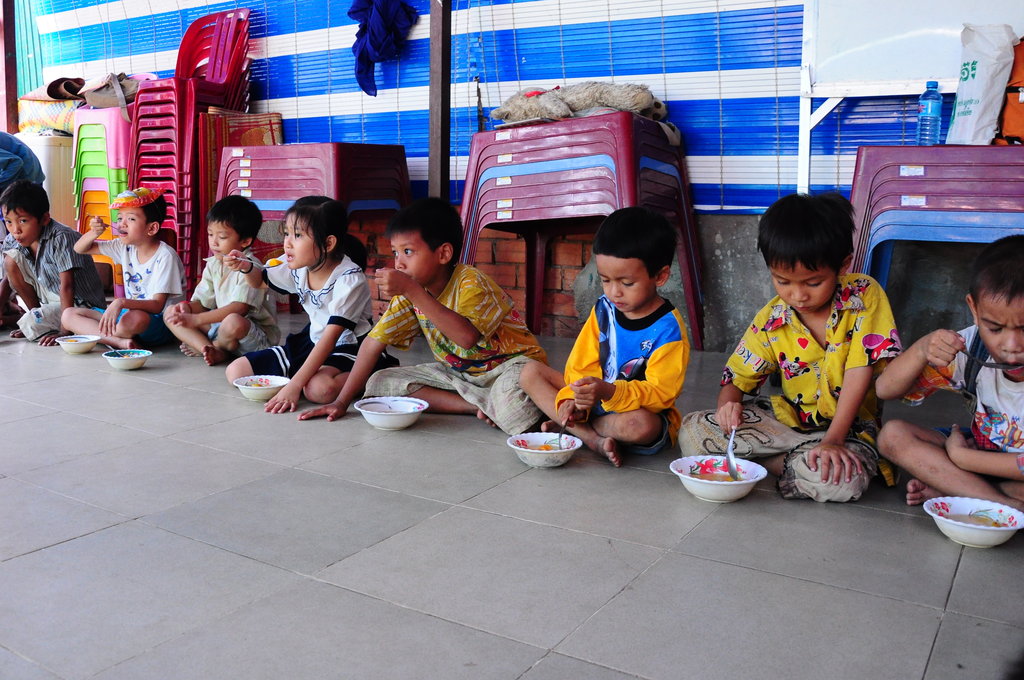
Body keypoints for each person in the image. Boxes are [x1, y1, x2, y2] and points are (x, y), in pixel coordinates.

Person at [678, 193, 902, 502]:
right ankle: (794, 463)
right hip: (789, 424)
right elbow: (736, 378)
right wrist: (728, 408)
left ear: (842, 265)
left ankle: (782, 463)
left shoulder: (864, 297)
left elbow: (859, 369)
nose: (797, 295)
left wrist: (834, 441)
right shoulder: (772, 319)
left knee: (841, 482)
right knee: (694, 432)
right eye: (782, 281)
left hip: (849, 431)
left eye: (812, 283)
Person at [299, 197, 547, 433]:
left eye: (408, 252)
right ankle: (476, 406)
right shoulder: (411, 292)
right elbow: (373, 344)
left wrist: (412, 290)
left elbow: (467, 338)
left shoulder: (470, 282)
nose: (399, 263)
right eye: (395, 252)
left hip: (511, 370)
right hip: (461, 377)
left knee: (515, 413)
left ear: (443, 254)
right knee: (380, 381)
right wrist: (341, 403)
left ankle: (498, 404)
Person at [518, 207, 689, 467]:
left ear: (660, 275)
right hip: (594, 401)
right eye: (605, 280)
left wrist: (608, 392)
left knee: (639, 425)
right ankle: (589, 435)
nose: (614, 292)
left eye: (627, 283)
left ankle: (583, 430)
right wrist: (574, 399)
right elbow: (580, 365)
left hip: (635, 411)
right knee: (529, 373)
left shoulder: (668, 329)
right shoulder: (603, 310)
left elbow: (661, 394)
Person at [876, 235, 1024, 510]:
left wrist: (961, 458)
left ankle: (964, 490)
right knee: (893, 437)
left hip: (985, 462)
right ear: (974, 310)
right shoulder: (970, 348)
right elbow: (885, 389)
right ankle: (1000, 501)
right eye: (995, 328)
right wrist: (922, 348)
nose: (1012, 347)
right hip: (983, 451)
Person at [224, 199, 394, 413]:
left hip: (349, 346)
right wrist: (246, 267)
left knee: (318, 390)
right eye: (286, 233)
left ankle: (374, 372)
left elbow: (332, 337)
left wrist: (294, 385)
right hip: (313, 340)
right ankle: (307, 373)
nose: (287, 243)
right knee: (236, 372)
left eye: (298, 235)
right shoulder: (297, 266)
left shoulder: (350, 280)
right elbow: (259, 281)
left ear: (328, 244)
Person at [62, 188, 186, 349]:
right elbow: (80, 248)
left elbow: (157, 305)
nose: (122, 224)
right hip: (127, 314)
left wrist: (120, 302)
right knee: (68, 315)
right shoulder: (123, 247)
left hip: (158, 322)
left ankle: (103, 335)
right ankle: (118, 341)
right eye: (120, 218)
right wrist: (94, 232)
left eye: (131, 219)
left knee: (135, 319)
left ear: (152, 228)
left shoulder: (165, 256)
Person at [163, 195, 279, 365]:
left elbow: (240, 308)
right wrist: (186, 308)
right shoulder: (214, 264)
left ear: (245, 241)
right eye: (210, 234)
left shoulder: (251, 267)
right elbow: (203, 303)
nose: (214, 242)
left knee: (233, 321)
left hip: (251, 337)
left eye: (222, 237)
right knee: (170, 312)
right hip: (221, 330)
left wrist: (196, 320)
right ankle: (207, 348)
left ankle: (218, 347)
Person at [0, 179, 105, 344]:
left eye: (23, 221)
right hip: (51, 299)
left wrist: (65, 330)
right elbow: (8, 278)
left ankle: (41, 321)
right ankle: (37, 317)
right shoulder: (12, 240)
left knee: (31, 322)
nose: (15, 230)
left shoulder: (62, 238)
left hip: (80, 304)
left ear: (44, 219)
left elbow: (67, 286)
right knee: (10, 261)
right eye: (9, 222)